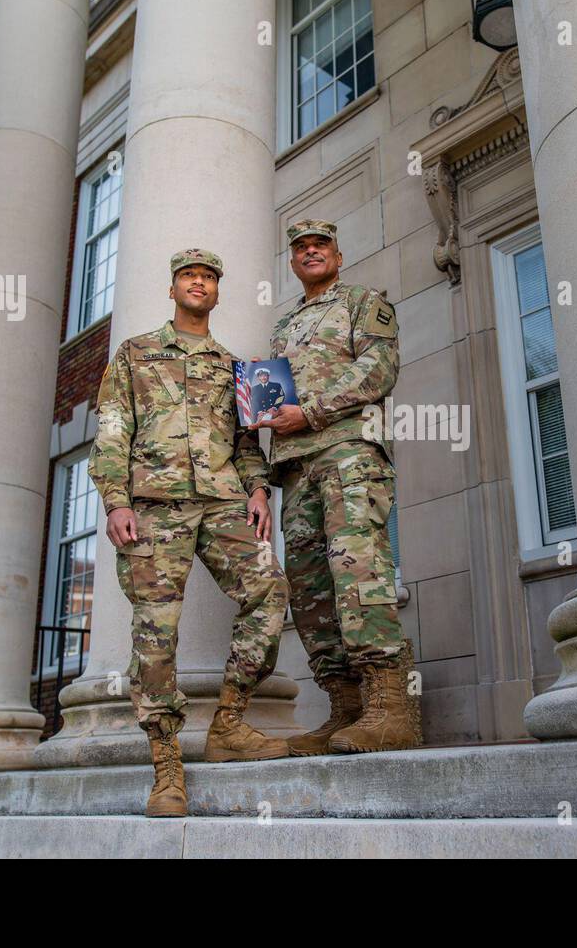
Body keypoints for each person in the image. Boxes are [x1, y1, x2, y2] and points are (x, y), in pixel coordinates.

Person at [89, 247, 291, 819]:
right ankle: (166, 766)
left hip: (224, 500)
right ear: (173, 288)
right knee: (156, 631)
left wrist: (258, 490)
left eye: (207, 277)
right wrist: (114, 500)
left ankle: (228, 720)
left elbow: (250, 444)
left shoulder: (237, 368)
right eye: (188, 276)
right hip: (154, 506)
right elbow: (111, 432)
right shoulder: (134, 353)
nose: (198, 283)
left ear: (217, 292)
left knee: (269, 592)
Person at [255, 220, 421, 755]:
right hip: (295, 468)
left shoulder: (361, 302)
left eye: (319, 245)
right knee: (309, 591)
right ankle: (346, 708)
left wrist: (311, 412)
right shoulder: (283, 328)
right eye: (300, 248)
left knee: (358, 571)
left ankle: (390, 711)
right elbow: (267, 403)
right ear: (292, 261)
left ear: (337, 254)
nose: (309, 252)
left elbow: (380, 368)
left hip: (347, 451)